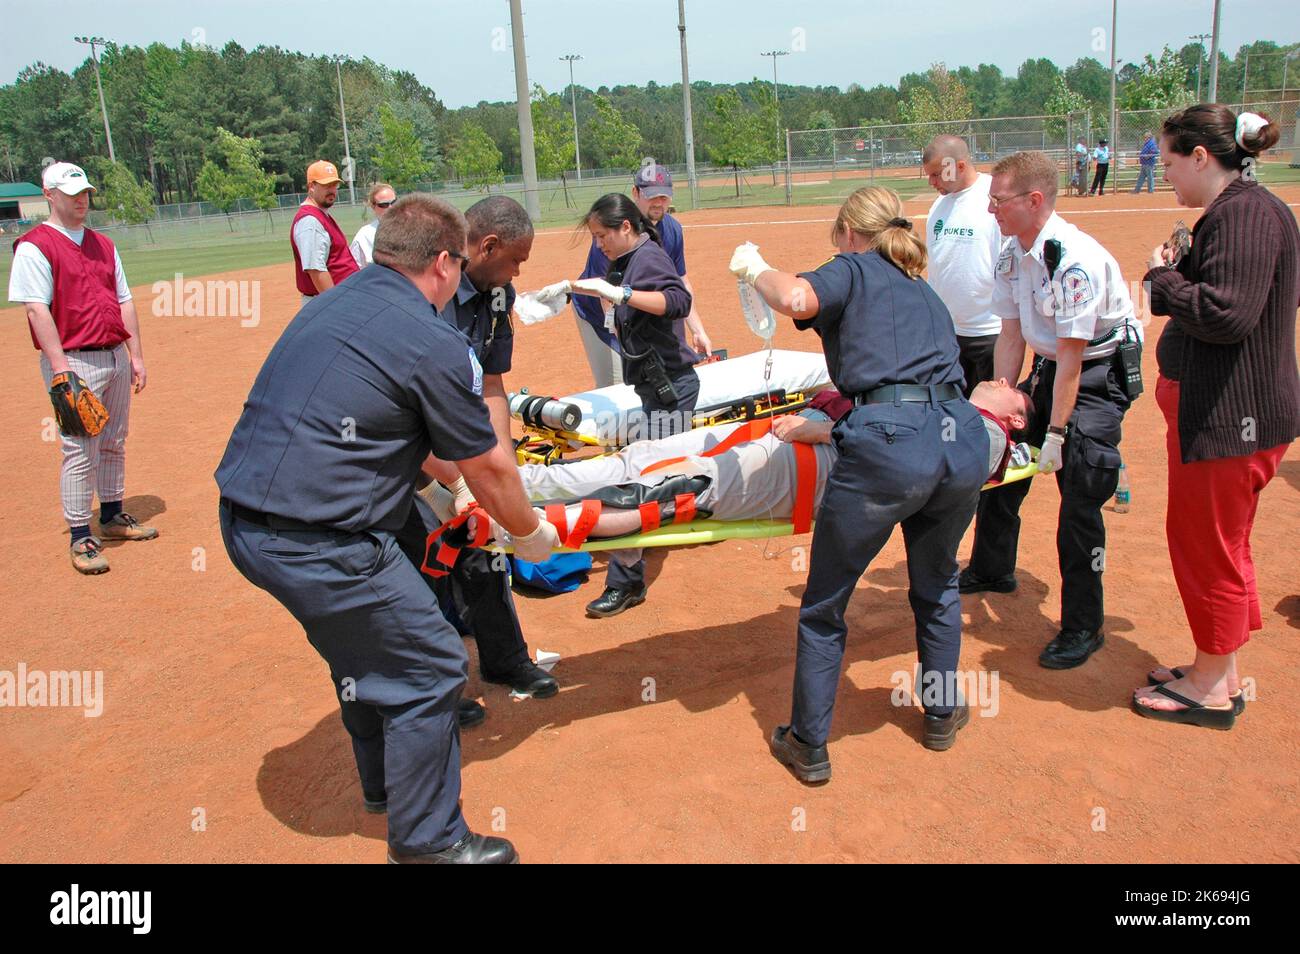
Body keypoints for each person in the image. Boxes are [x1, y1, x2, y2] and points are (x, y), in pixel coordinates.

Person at [217, 194, 560, 864]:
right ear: (442, 263)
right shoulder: (429, 337)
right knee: (431, 661)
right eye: (457, 268)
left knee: (364, 652)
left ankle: (382, 786)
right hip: (319, 537)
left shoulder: (331, 304)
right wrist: (529, 534)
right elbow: (490, 467)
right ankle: (429, 840)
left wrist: (444, 486)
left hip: (245, 520)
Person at [729, 185, 992, 783]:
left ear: (851, 232)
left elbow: (796, 298)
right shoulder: (922, 288)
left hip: (891, 446)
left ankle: (809, 742)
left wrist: (755, 267)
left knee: (824, 603)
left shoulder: (854, 266)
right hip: (960, 439)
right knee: (938, 585)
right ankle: (942, 714)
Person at [1133, 106, 1298, 728]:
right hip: (1238, 414)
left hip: (1231, 417)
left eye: (1171, 161)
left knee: (1206, 547)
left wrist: (1163, 277)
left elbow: (1229, 315)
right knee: (1223, 544)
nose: (1167, 174)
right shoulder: (1248, 211)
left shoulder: (1244, 214)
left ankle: (1208, 685)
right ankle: (1219, 665)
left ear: (1201, 156)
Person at [960, 150, 1142, 670]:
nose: (990, 208)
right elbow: (1012, 332)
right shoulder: (1013, 251)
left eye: (999, 200)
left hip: (1093, 379)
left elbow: (1072, 361)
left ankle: (1084, 625)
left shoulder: (1073, 261)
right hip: (1050, 366)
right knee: (1001, 460)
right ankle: (993, 568)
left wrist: (1057, 435)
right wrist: (1001, 398)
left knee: (1079, 496)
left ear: (1033, 200)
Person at [509, 382, 1032, 535]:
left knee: (676, 490)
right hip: (790, 432)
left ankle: (521, 524)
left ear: (1016, 420)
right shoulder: (952, 398)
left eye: (1015, 391)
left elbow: (908, 454)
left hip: (813, 463)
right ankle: (516, 482)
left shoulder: (985, 437)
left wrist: (830, 430)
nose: (1005, 381)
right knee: (641, 456)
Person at [419, 195, 558, 699]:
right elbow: (403, 415)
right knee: (423, 565)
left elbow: (492, 384)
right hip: (407, 455)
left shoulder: (500, 297)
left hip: (459, 441)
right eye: (515, 259)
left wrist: (503, 467)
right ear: (487, 246)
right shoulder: (426, 295)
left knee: (484, 542)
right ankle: (435, 693)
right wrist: (455, 480)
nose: (518, 270)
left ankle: (505, 661)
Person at [8, 162, 155, 575]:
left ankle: (110, 516)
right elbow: (37, 310)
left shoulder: (104, 245)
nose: (81, 198)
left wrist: (136, 355)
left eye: (85, 191)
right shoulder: (36, 246)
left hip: (114, 354)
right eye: (71, 192)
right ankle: (80, 535)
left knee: (114, 439)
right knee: (79, 449)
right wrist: (59, 370)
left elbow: (124, 300)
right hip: (74, 359)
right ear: (49, 194)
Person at [569, 193, 697, 618]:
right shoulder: (627, 259)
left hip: (669, 389)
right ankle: (687, 515)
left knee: (639, 485)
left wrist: (621, 294)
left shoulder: (648, 259)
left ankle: (626, 583)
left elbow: (679, 301)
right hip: (654, 388)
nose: (599, 244)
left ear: (626, 227)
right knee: (661, 474)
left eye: (602, 235)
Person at [571, 161, 710, 388]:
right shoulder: (616, 234)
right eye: (651, 196)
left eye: (664, 197)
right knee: (617, 384)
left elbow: (679, 285)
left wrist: (698, 331)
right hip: (598, 314)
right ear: (636, 193)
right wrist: (623, 340)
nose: (658, 203)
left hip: (636, 311)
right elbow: (605, 295)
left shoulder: (672, 230)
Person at [922, 135, 1004, 395]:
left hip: (989, 331)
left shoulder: (995, 197)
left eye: (936, 174)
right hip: (947, 334)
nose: (932, 182)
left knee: (988, 414)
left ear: (959, 165)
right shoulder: (939, 205)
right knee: (950, 409)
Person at [291, 160, 359, 301]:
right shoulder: (310, 221)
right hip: (326, 302)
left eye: (334, 185)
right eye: (326, 185)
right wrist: (334, 304)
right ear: (311, 186)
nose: (332, 190)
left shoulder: (321, 215)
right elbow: (316, 269)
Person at [349, 182, 397, 267]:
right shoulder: (364, 236)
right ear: (373, 206)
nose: (390, 207)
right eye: (384, 204)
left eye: (394, 202)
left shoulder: (411, 227)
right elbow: (355, 269)